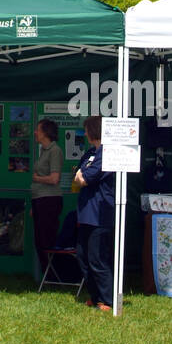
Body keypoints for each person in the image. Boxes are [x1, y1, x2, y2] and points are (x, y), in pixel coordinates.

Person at [73, 115, 114, 312]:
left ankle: (107, 300)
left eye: (87, 129)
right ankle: (95, 295)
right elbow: (77, 175)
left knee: (98, 258)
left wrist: (82, 175)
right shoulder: (91, 152)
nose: (85, 133)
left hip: (100, 213)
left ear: (94, 130)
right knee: (83, 256)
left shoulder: (108, 154)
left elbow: (85, 178)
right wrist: (81, 174)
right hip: (85, 213)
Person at [30, 118, 63, 275]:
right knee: (39, 239)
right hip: (39, 199)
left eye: (38, 130)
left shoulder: (54, 150)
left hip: (49, 199)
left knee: (46, 239)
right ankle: (47, 275)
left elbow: (54, 178)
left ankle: (53, 275)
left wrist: (37, 178)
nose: (35, 133)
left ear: (45, 132)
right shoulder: (43, 150)